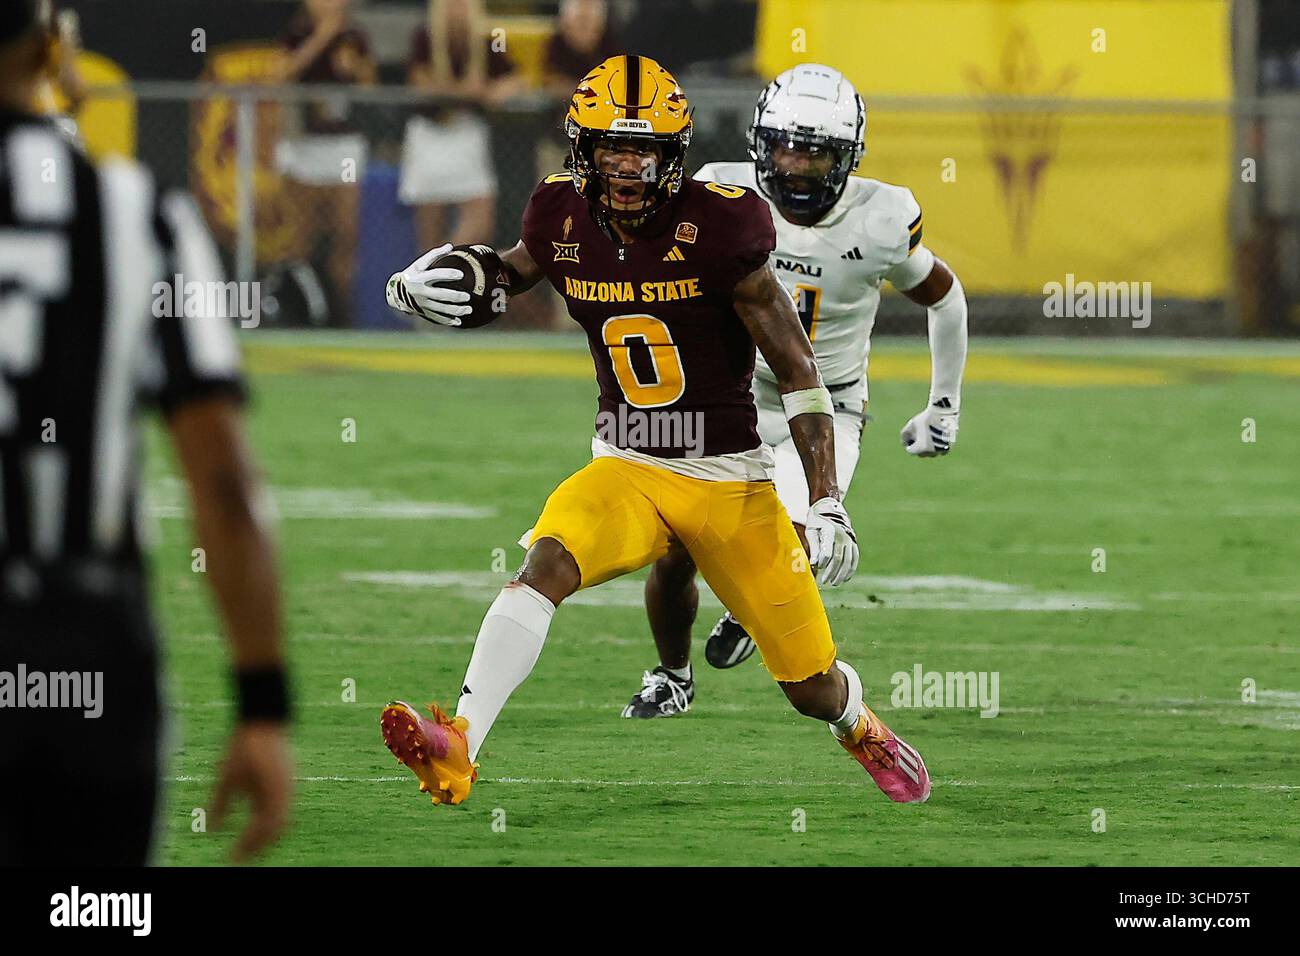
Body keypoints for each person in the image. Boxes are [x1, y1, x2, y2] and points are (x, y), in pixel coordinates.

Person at [382, 55, 931, 807]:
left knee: (811, 687)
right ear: (584, 149)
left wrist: (828, 498)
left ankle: (858, 724)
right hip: (628, 464)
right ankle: (459, 743)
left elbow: (799, 370)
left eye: (646, 149)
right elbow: (507, 273)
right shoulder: (558, 215)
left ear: (677, 155)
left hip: (730, 482)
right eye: (613, 146)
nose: (630, 165)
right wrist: (428, 280)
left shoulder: (722, 225)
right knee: (547, 563)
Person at [0, 0, 292, 864]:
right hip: (87, 644)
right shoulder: (136, 214)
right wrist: (263, 704)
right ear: (51, 44)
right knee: (95, 911)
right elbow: (226, 485)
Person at [620, 63, 970, 716]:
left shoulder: (882, 216)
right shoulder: (719, 194)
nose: (796, 166)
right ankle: (672, 675)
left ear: (847, 159)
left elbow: (944, 297)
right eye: (784, 146)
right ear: (759, 142)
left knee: (803, 539)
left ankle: (749, 610)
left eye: (815, 153)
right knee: (674, 553)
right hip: (728, 398)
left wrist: (943, 403)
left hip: (828, 405)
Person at [275, 0, 376, 319]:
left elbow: (371, 88)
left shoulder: (354, 37)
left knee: (345, 230)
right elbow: (281, 74)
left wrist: (356, 70)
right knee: (302, 233)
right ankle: (300, 308)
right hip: (306, 145)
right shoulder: (297, 33)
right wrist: (321, 37)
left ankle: (341, 309)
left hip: (344, 145)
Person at [399, 0, 522, 252]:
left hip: (468, 135)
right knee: (429, 227)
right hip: (429, 136)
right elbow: (421, 83)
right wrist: (471, 92)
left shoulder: (485, 41)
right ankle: (431, 279)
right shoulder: (424, 37)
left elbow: (516, 77)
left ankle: (446, 264)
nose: (457, 9)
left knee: (481, 220)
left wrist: (494, 91)